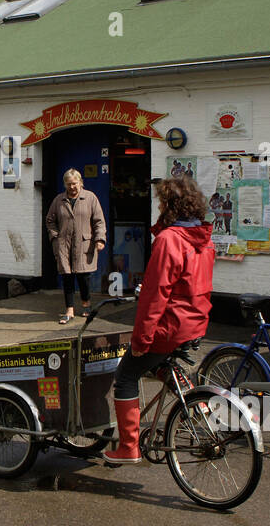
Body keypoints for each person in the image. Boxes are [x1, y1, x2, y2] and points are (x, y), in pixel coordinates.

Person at [103, 175, 216, 465]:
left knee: (127, 374)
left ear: (170, 205)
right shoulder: (204, 239)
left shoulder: (169, 240)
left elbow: (155, 297)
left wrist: (141, 340)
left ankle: (128, 447)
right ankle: (195, 399)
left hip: (171, 326)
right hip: (195, 323)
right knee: (159, 363)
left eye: (162, 202)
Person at [45, 169, 106, 325]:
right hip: (64, 245)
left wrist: (100, 239)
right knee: (67, 277)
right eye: (68, 184)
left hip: (84, 244)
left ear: (80, 182)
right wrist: (55, 237)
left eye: (74, 183)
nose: (72, 187)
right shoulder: (59, 200)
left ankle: (86, 303)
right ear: (65, 184)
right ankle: (69, 310)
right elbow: (50, 220)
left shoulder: (90, 198)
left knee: (83, 278)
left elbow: (99, 221)